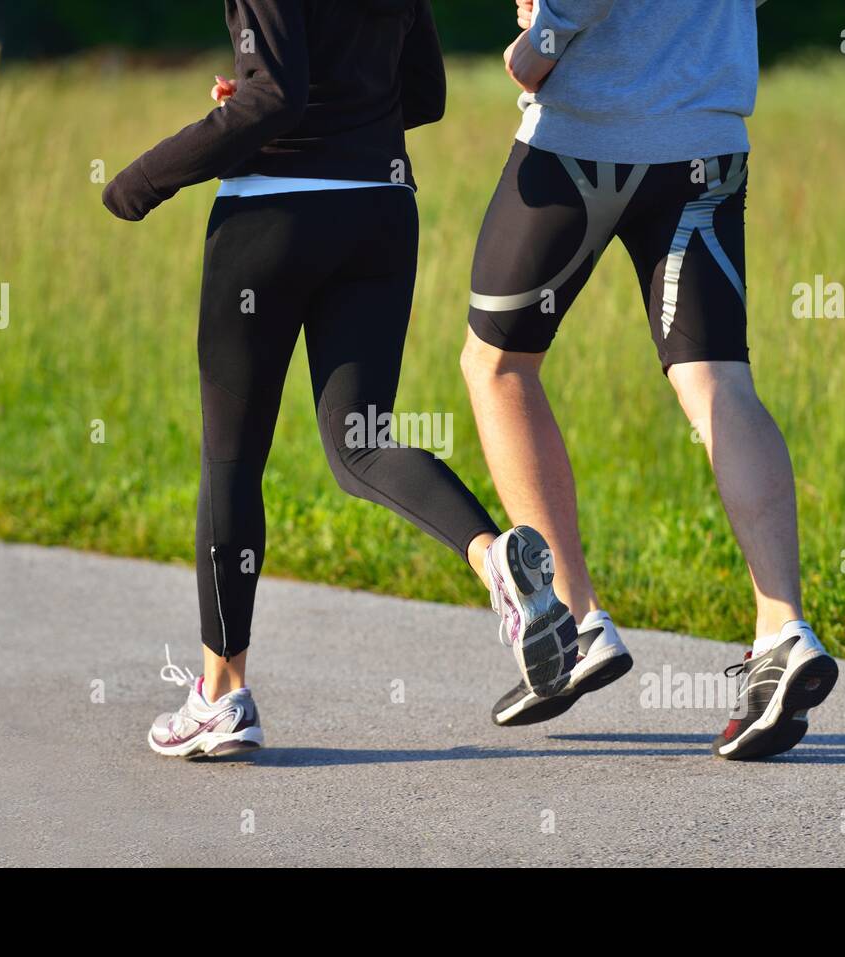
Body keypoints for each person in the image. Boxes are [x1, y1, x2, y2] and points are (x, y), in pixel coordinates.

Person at [102, 0, 578, 759]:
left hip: (272, 218)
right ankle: (495, 561)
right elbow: (424, 94)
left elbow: (276, 100)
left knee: (232, 459)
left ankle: (221, 695)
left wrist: (141, 180)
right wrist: (328, 109)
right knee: (361, 443)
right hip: (382, 213)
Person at [459, 0, 838, 758]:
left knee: (497, 364)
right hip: (707, 132)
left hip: (588, 134)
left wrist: (546, 34)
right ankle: (781, 631)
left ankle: (573, 619)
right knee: (718, 380)